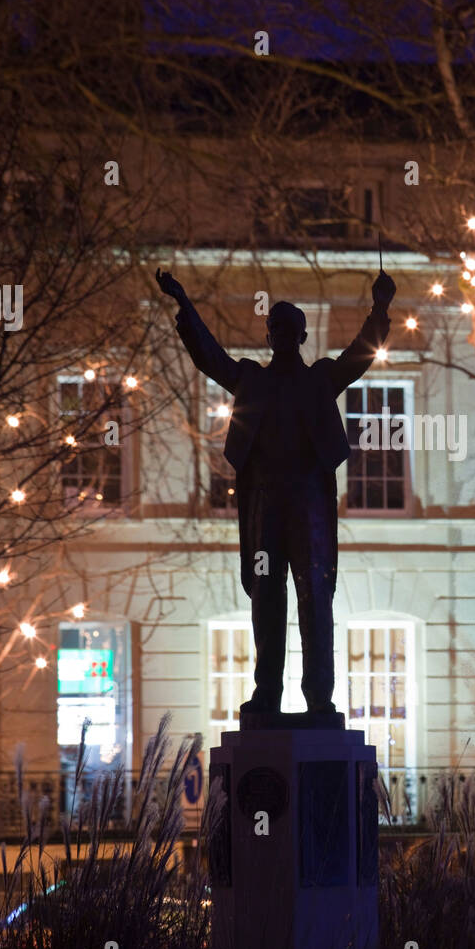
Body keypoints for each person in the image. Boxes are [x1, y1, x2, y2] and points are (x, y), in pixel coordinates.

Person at [157, 265, 396, 724]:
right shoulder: (252, 380)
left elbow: (360, 355)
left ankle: (319, 699)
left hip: (308, 510)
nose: (281, 335)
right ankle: (267, 693)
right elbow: (209, 357)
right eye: (276, 328)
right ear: (269, 335)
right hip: (266, 508)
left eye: (288, 329)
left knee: (315, 602)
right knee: (267, 601)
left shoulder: (319, 379)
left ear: (300, 335)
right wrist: (183, 305)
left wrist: (380, 307)